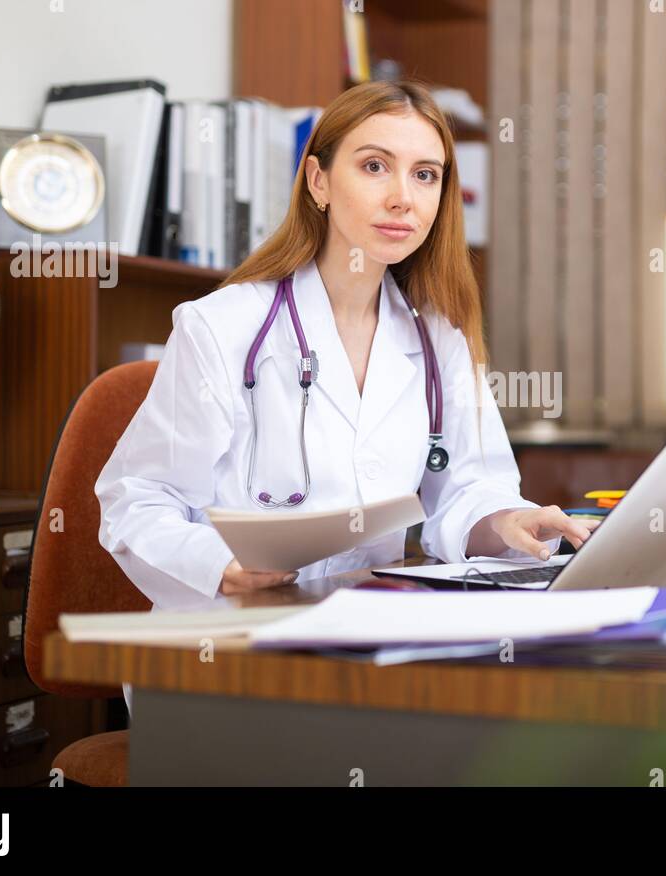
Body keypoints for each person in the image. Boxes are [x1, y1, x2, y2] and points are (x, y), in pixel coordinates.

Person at [95, 81, 597, 713]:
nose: (402, 198)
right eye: (374, 166)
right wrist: (222, 564)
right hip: (223, 652)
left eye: (425, 175)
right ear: (319, 182)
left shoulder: (439, 336)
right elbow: (134, 501)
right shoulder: (223, 327)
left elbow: (468, 487)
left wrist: (506, 523)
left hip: (363, 646)